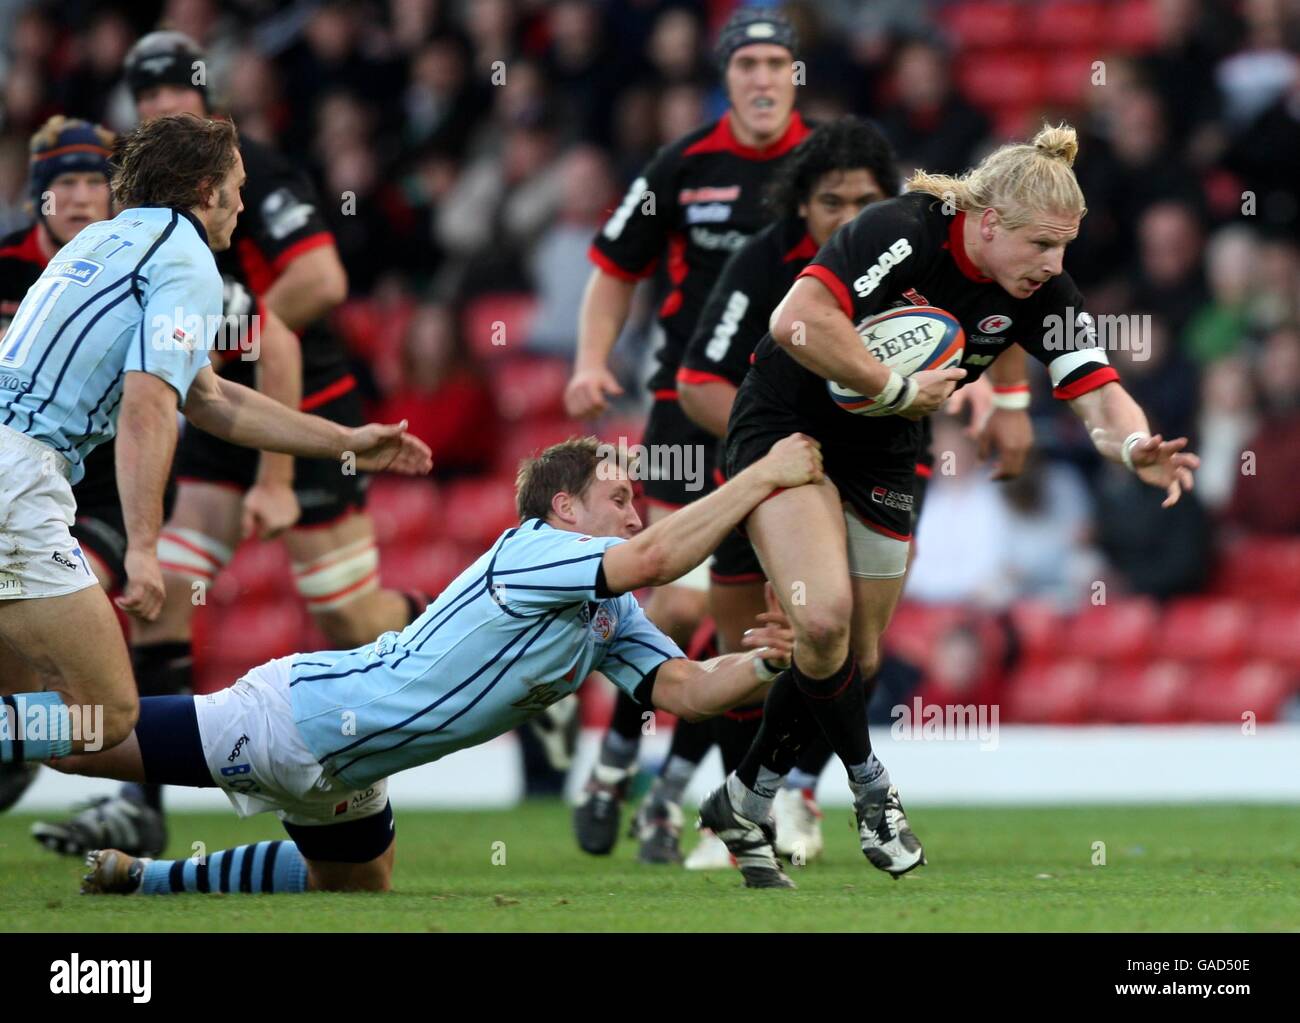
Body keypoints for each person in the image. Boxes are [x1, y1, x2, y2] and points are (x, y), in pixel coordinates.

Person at [699, 123, 1199, 889]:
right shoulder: (901, 230)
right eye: (1041, 244)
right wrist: (895, 388)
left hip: (886, 446)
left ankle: (742, 796)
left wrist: (1134, 449)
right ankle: (870, 788)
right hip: (785, 426)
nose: (1054, 264)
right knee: (823, 622)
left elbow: (1100, 395)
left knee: (857, 659)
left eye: (1064, 247)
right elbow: (794, 322)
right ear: (989, 222)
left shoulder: (1038, 291)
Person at [61, 433, 823, 896]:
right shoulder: (534, 550)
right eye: (619, 497)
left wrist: (761, 662)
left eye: (636, 503)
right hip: (294, 719)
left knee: (357, 883)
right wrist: (760, 475)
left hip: (350, 770)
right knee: (85, 738)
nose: (635, 513)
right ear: (563, 509)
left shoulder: (608, 610)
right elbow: (656, 554)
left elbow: (687, 690)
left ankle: (144, 876)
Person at [28, 31, 435, 859]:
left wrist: (343, 439)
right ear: (204, 190)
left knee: (34, 703)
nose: (245, 206)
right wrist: (142, 546)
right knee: (102, 715)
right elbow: (150, 405)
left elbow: (210, 398)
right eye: (236, 192)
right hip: (22, 487)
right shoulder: (182, 260)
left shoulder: (104, 239)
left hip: (14, 469)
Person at [564, 6, 813, 856]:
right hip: (685, 406)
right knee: (668, 602)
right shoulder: (684, 165)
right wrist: (591, 360)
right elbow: (612, 265)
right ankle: (616, 763)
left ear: (795, 75)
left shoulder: (826, 171)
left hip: (788, 414)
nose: (763, 78)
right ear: (726, 78)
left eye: (778, 62)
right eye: (747, 65)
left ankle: (666, 795)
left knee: (745, 624)